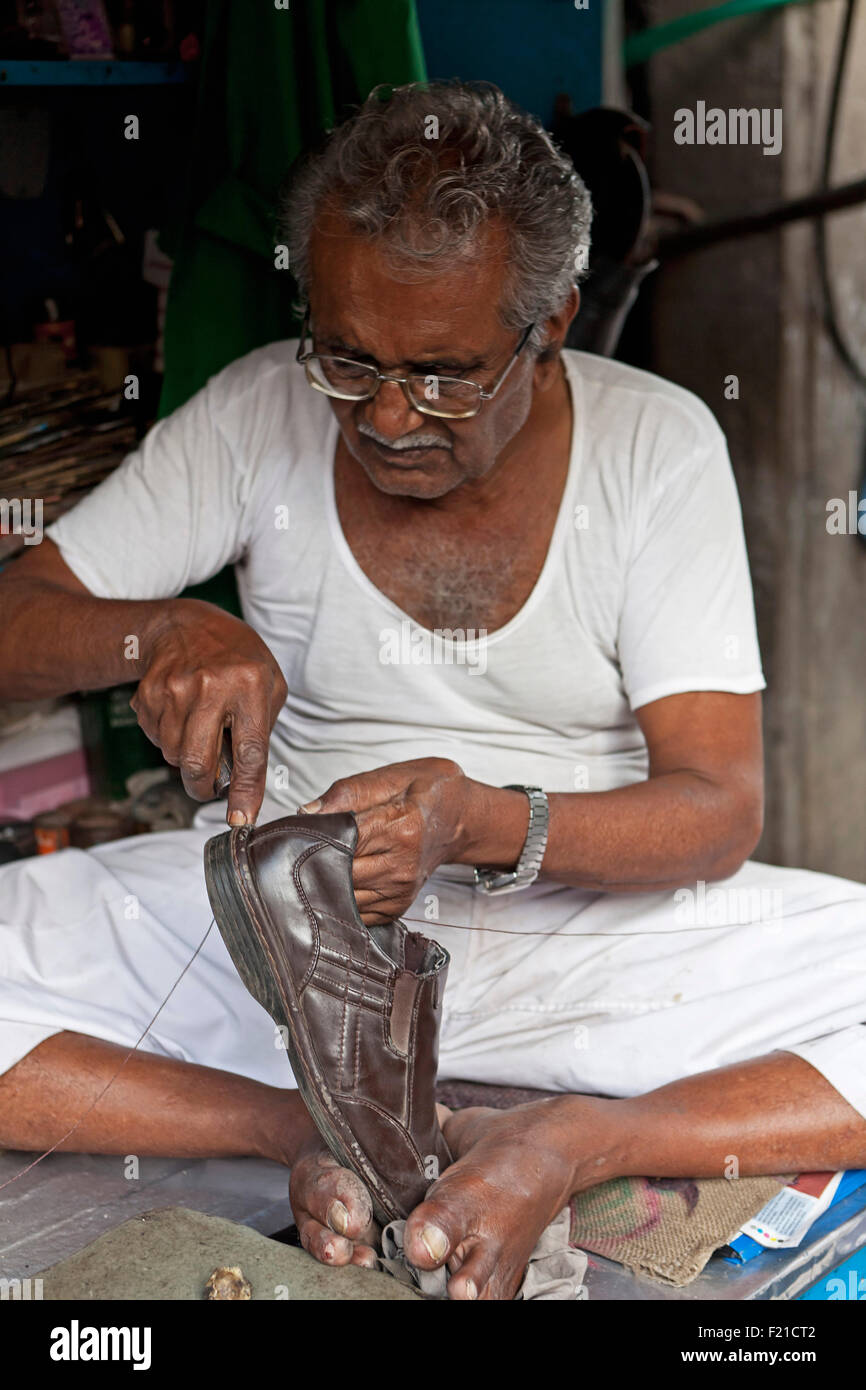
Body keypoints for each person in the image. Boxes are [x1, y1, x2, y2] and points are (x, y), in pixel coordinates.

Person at [1, 82, 865, 1301]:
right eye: (349, 359)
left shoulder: (654, 447)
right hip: (284, 954)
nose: (389, 416)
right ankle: (299, 1132)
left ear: (551, 321)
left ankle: (566, 1136)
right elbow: (15, 617)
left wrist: (476, 822)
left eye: (445, 374)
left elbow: (719, 810)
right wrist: (158, 632)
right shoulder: (260, 409)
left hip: (582, 943)